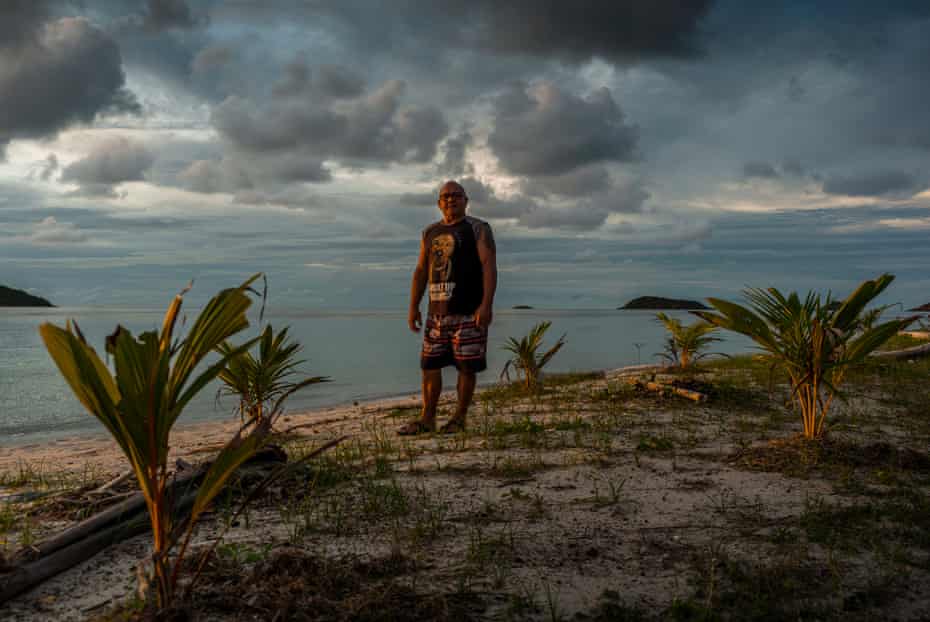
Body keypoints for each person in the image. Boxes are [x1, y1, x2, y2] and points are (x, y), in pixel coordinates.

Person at [399, 180, 497, 435]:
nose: (451, 199)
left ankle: (459, 418)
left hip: (468, 310)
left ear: (466, 200)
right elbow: (421, 271)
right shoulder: (429, 232)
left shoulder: (478, 228)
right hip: (436, 312)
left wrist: (486, 305)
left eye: (456, 195)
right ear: (439, 203)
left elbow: (488, 265)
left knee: (467, 366)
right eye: (445, 196)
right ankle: (427, 419)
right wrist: (413, 307)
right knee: (429, 365)